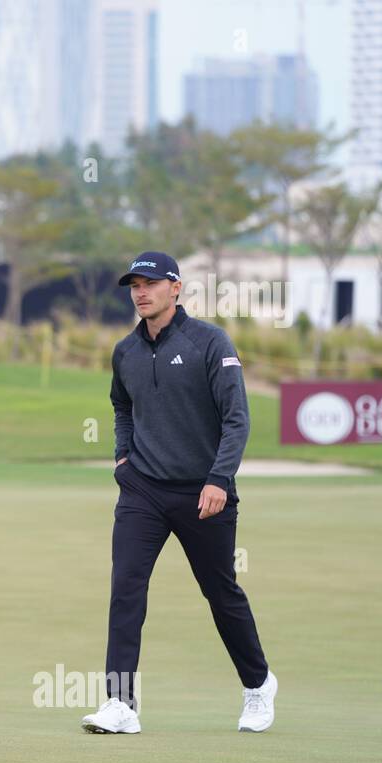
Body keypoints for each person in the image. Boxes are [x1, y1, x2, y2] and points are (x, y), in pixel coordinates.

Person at [83, 251, 276, 735]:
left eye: (150, 283)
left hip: (203, 492)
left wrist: (218, 478)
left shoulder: (209, 342)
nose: (140, 292)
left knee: (220, 593)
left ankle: (258, 685)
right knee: (126, 588)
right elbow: (121, 407)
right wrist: (123, 460)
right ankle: (120, 704)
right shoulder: (125, 350)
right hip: (142, 489)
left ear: (176, 288)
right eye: (134, 285)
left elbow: (237, 419)